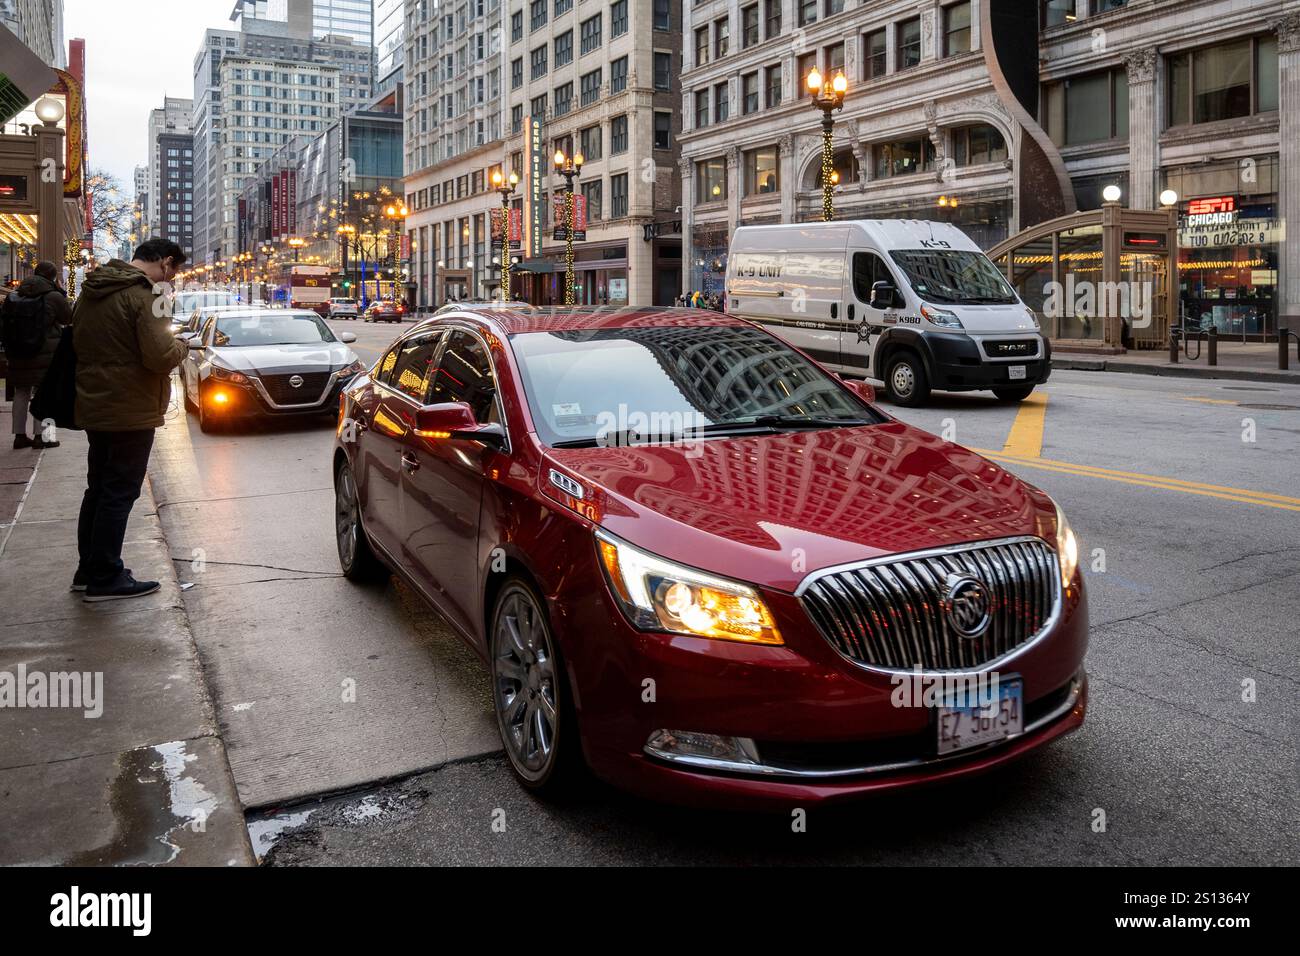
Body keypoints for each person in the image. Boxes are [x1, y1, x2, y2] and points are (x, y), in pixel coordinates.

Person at [72, 239, 188, 602]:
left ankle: (88, 569)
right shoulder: (146, 295)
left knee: (99, 488)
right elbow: (159, 356)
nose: (173, 279)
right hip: (131, 407)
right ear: (166, 263)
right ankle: (105, 576)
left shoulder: (93, 289)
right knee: (120, 491)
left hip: (96, 403)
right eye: (175, 272)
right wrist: (184, 344)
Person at [3, 261, 73, 449]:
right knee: (46, 394)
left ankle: (19, 436)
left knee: (21, 392)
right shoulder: (53, 296)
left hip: (18, 353)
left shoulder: (15, 295)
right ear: (52, 277)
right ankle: (43, 437)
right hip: (45, 353)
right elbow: (68, 317)